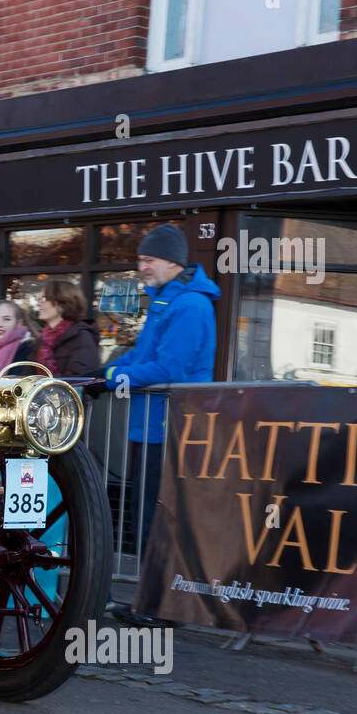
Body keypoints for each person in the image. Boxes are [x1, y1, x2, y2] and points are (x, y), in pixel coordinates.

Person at [87, 222, 219, 622]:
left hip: (171, 428)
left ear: (172, 262)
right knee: (145, 518)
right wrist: (106, 372)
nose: (141, 266)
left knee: (158, 520)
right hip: (150, 426)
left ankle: (165, 607)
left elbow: (168, 368)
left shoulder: (190, 306)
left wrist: (111, 379)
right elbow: (141, 358)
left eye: (148, 259)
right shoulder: (167, 301)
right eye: (140, 259)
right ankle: (152, 601)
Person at [34, 280, 100, 377]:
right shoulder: (42, 340)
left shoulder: (81, 337)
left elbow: (79, 381)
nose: (39, 304)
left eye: (44, 299)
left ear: (62, 304)